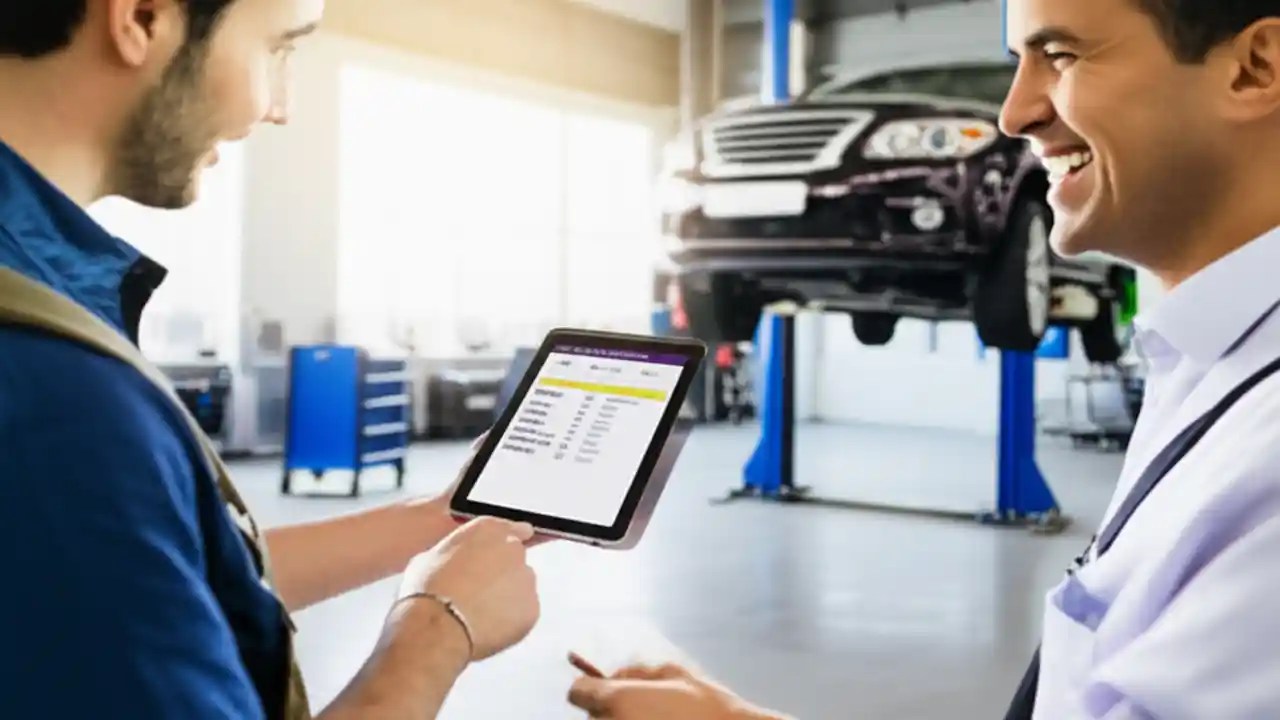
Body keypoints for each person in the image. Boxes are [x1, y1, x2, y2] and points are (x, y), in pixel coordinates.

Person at [569, 0, 1280, 718]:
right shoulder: (1201, 361)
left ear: (1256, 68)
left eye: (1060, 56)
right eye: (1016, 65)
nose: (1013, 113)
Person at [0, 1, 542, 717]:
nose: (278, 106)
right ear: (142, 15)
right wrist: (438, 625)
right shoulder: (56, 391)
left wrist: (443, 518)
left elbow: (157, 573)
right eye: (278, 50)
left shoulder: (40, 292)